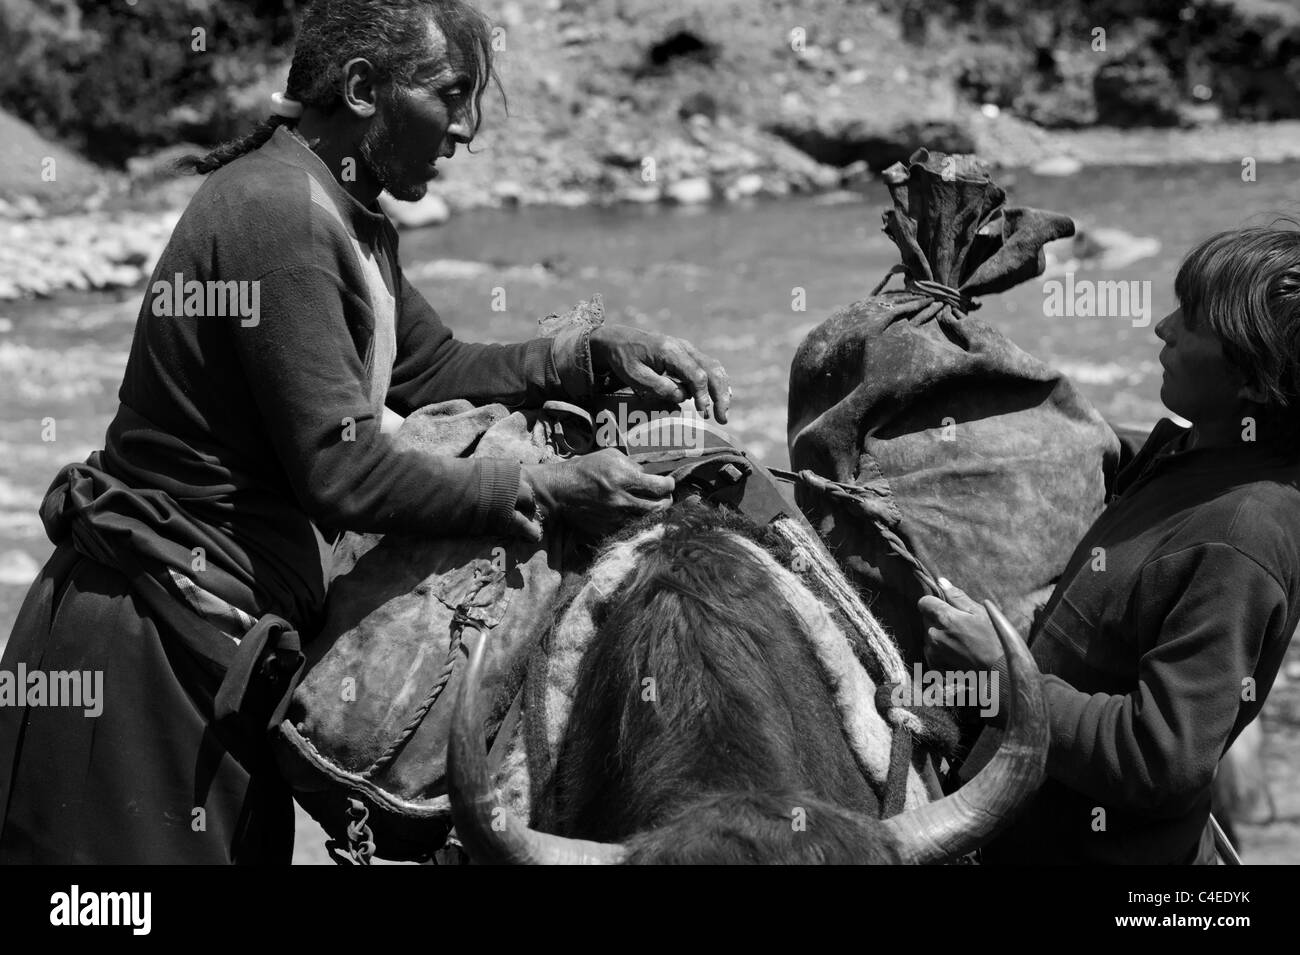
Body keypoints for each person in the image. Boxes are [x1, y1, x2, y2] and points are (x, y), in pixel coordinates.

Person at [0, 0, 729, 864]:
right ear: (360, 88)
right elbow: (340, 470)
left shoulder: (341, 212)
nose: (465, 130)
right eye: (448, 95)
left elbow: (429, 368)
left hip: (217, 645)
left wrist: (583, 356)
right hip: (144, 653)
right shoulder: (279, 216)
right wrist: (542, 485)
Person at [920, 224, 1300, 864]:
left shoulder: (1241, 537)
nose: (1163, 328)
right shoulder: (1200, 453)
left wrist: (1003, 677)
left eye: (1192, 320)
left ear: (1256, 385)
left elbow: (1161, 760)